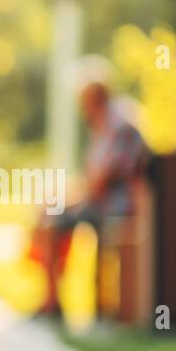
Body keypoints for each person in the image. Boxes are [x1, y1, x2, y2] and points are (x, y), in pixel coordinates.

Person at [33, 58, 151, 319]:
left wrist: (75, 197)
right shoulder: (103, 123)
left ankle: (55, 303)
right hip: (103, 202)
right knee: (48, 214)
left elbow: (101, 180)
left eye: (83, 99)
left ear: (95, 96)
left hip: (116, 205)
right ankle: (52, 301)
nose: (81, 106)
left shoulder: (119, 124)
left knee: (52, 220)